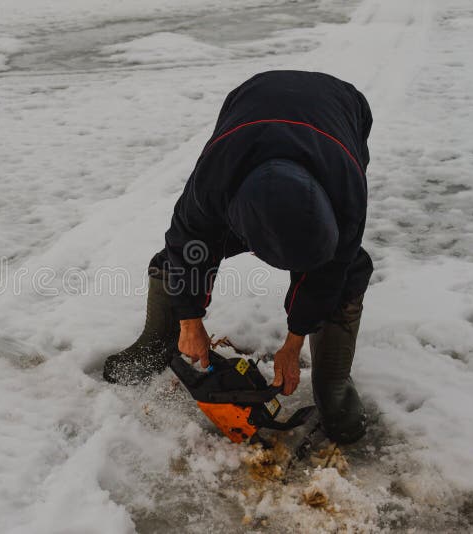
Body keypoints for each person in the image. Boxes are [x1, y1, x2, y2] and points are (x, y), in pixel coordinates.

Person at [103, 70, 373, 444]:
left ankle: (334, 383)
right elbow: (187, 246)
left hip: (342, 108)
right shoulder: (214, 181)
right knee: (183, 256)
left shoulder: (347, 194)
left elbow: (329, 273)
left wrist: (294, 343)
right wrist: (189, 322)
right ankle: (157, 341)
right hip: (249, 102)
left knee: (346, 272)